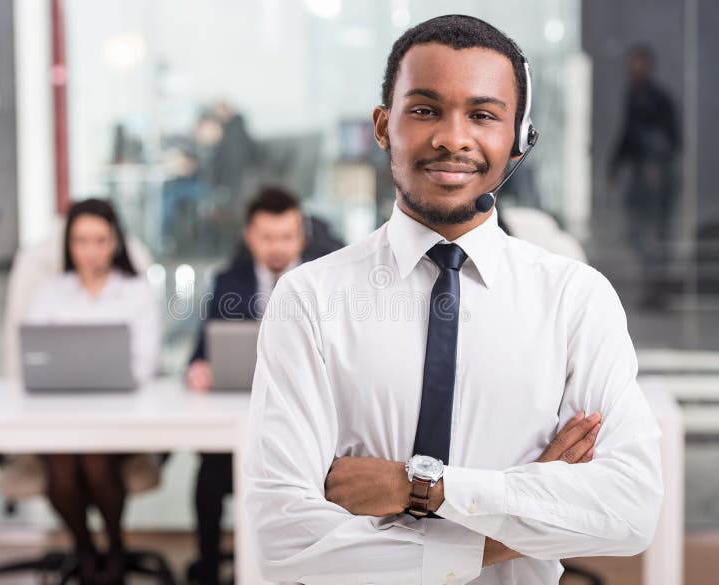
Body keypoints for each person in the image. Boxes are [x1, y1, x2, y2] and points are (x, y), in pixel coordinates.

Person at [245, 15, 662, 584]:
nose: (453, 137)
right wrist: (522, 513)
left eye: (484, 115)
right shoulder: (308, 299)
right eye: (424, 110)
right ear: (382, 126)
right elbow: (283, 537)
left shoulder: (575, 299)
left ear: (519, 140)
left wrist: (421, 487)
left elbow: (628, 508)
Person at [26, 198, 161, 585]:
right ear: (68, 245)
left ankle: (115, 546)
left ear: (115, 243)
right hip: (57, 417)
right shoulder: (50, 292)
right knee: (64, 467)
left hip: (119, 418)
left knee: (94, 456)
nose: (90, 251)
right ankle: (85, 547)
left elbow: (144, 365)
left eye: (100, 240)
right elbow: (34, 355)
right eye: (81, 241)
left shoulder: (135, 292)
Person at [185, 186, 308, 585]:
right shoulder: (227, 282)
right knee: (209, 479)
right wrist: (198, 369)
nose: (277, 248)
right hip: (241, 414)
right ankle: (209, 569)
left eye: (286, 237)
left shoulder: (323, 280)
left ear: (301, 237)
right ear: (250, 238)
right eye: (267, 237)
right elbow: (201, 351)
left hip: (304, 423)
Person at [609, 45, 679, 308]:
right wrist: (614, 168)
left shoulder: (658, 99)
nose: (633, 68)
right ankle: (654, 286)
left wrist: (655, 166)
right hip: (641, 176)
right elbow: (627, 136)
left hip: (656, 179)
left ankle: (658, 289)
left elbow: (671, 140)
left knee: (655, 234)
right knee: (638, 233)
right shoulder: (635, 95)